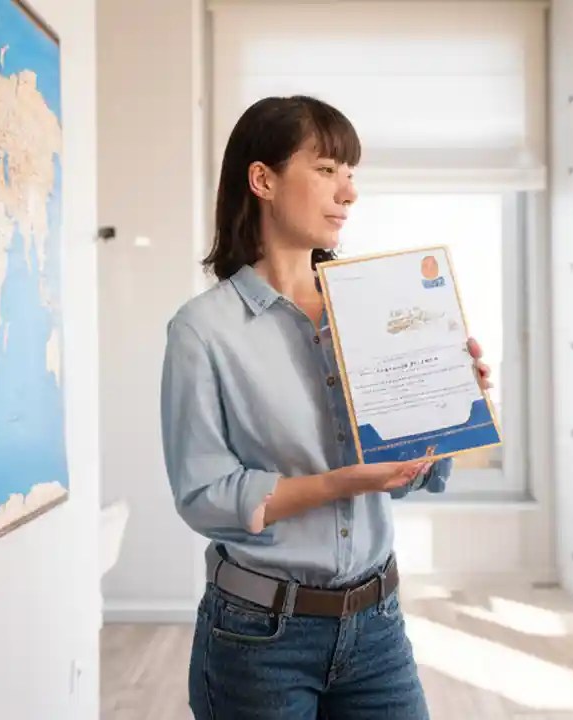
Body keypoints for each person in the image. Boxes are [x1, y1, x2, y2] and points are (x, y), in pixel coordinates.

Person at [160, 95, 493, 720]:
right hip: (259, 638)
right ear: (262, 179)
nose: (349, 192)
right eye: (327, 170)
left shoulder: (376, 307)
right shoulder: (203, 331)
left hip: (379, 624)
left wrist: (448, 404)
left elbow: (409, 472)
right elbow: (204, 494)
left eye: (351, 174)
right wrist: (338, 484)